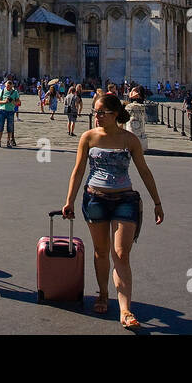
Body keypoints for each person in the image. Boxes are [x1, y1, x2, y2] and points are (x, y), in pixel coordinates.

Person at [61, 92, 164, 330]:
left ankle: (125, 308)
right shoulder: (88, 137)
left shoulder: (130, 140)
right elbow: (77, 171)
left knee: (121, 253)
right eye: (94, 113)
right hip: (95, 198)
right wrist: (69, 201)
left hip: (125, 199)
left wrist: (157, 202)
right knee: (100, 251)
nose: (96, 116)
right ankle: (103, 293)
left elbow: (144, 171)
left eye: (100, 113)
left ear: (115, 114)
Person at [0, 77, 19, 148]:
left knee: (10, 128)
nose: (8, 88)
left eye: (10, 87)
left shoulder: (15, 92)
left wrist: (12, 101)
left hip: (11, 111)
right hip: (2, 110)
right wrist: (5, 101)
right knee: (0, 127)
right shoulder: (2, 91)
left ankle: (8, 142)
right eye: (7, 86)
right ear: (5, 85)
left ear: (12, 86)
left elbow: (18, 102)